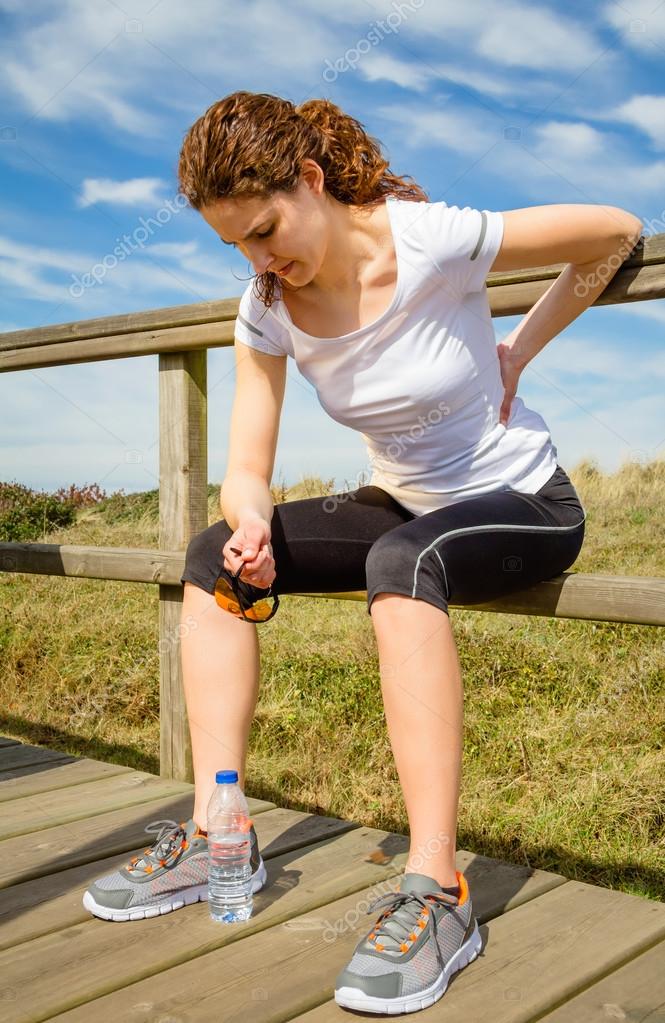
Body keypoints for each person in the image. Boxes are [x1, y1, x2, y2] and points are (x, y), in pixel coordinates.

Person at [83, 91, 642, 1014]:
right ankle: (220, 828)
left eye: (265, 231)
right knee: (211, 555)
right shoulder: (267, 307)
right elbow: (246, 467)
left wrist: (519, 349)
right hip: (404, 505)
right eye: (236, 246)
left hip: (522, 501)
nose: (259, 262)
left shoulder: (431, 238)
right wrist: (250, 521)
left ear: (310, 180)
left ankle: (438, 887)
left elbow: (615, 233)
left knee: (402, 563)